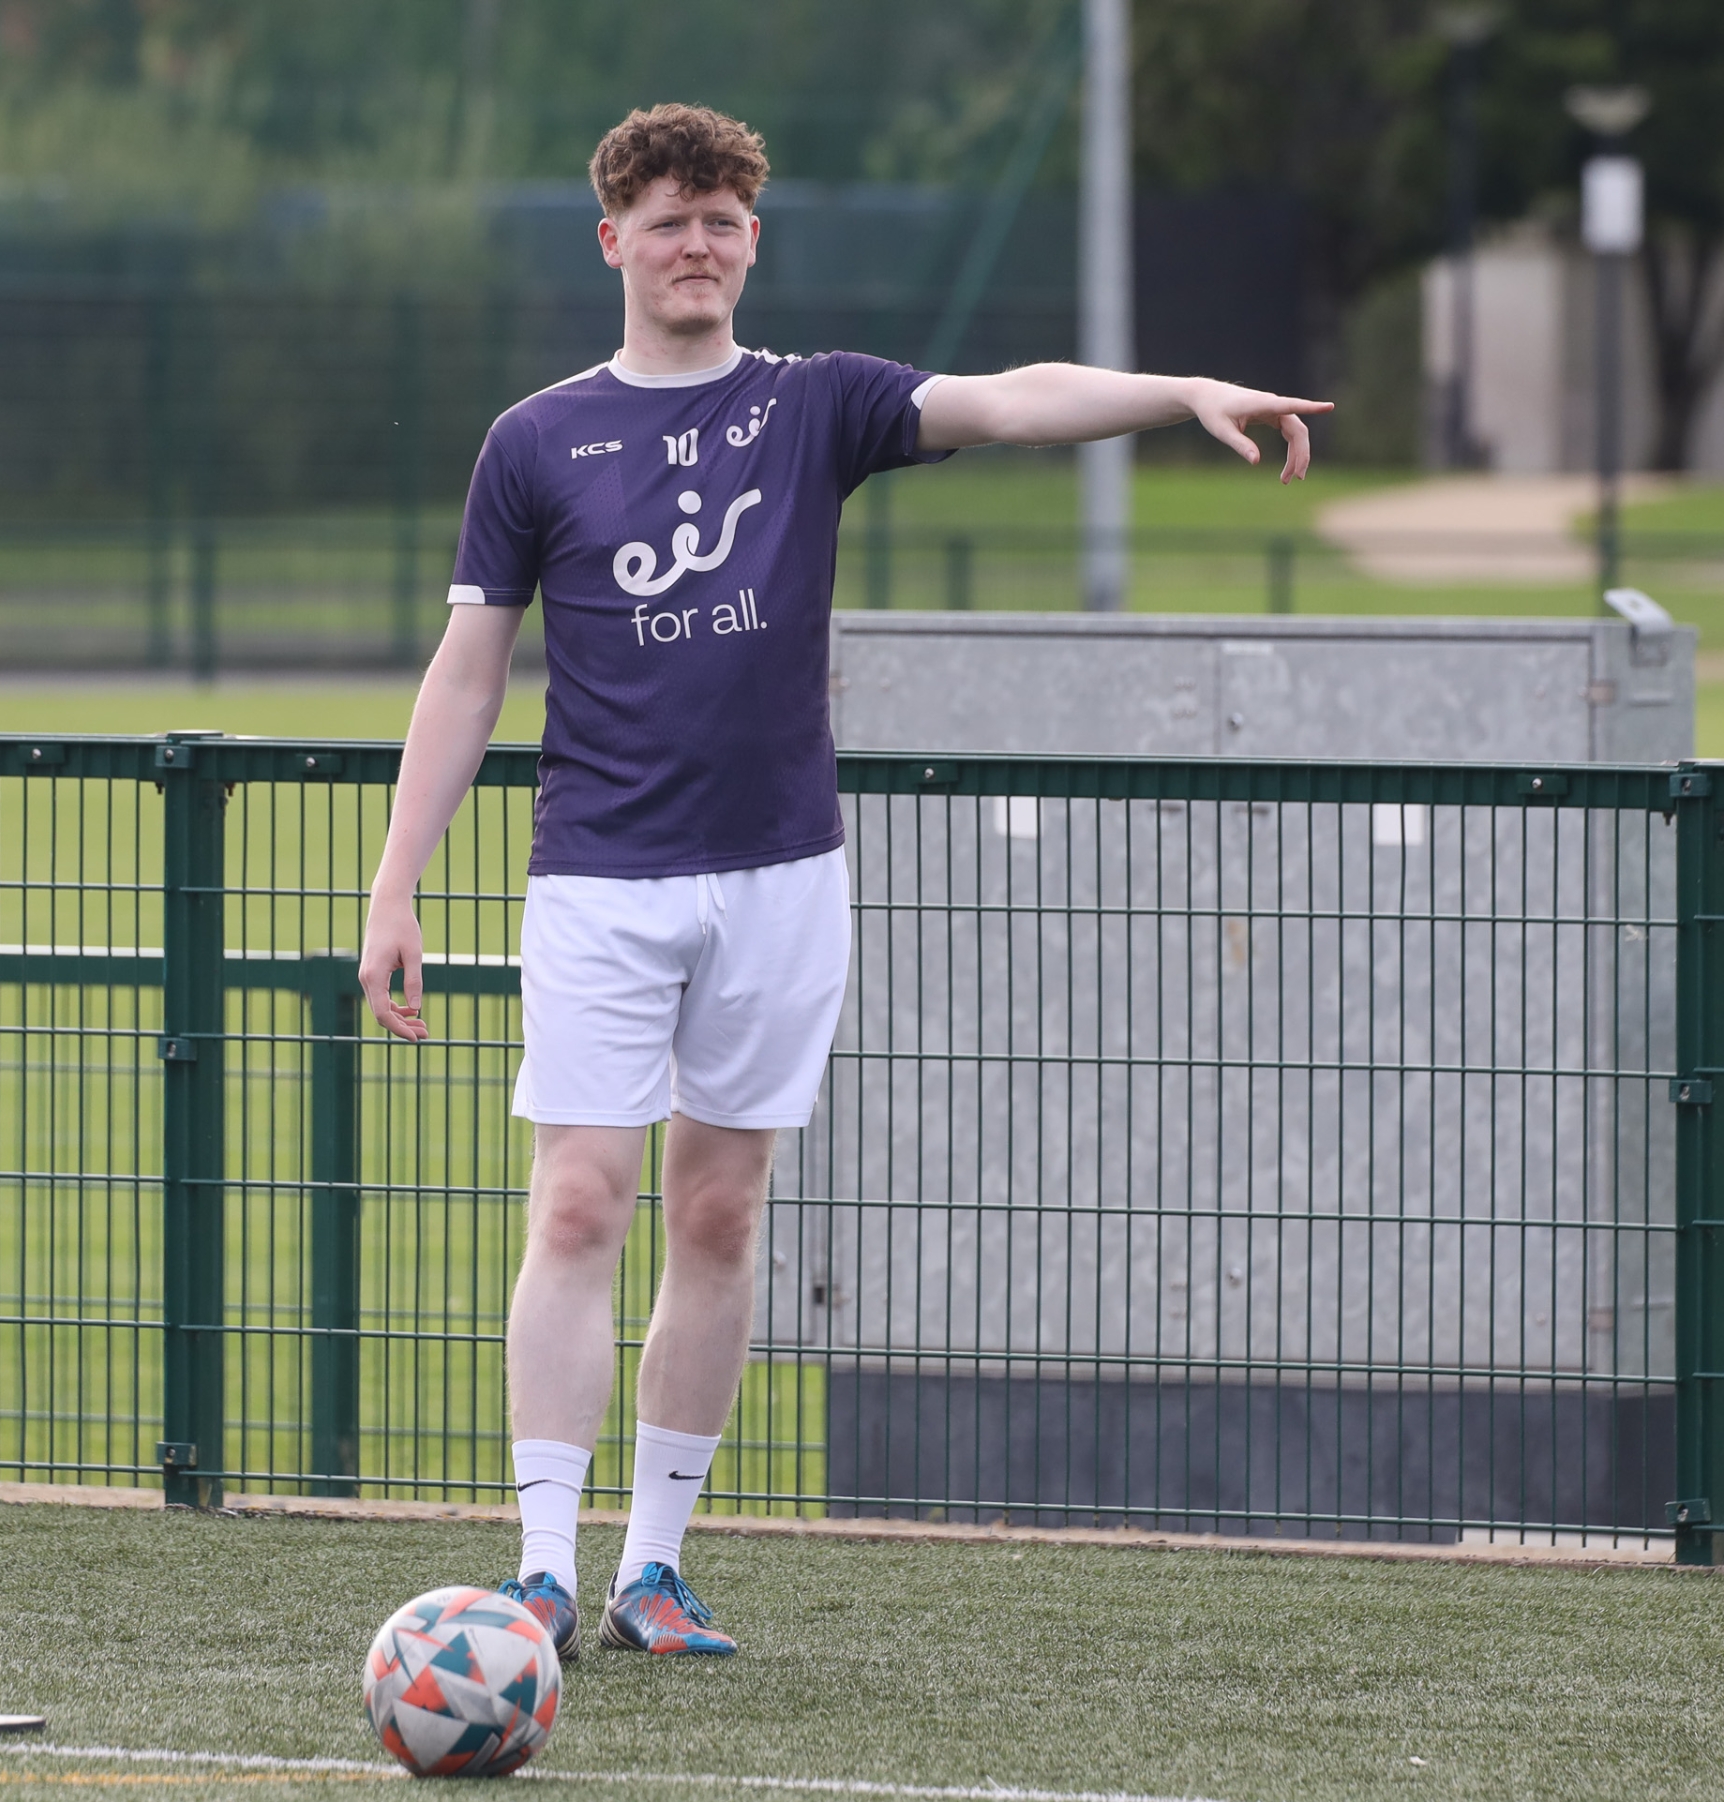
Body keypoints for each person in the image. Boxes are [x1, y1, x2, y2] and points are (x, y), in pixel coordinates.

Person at [359, 103, 1331, 1661]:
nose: (696, 243)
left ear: (753, 241)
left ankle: (651, 1573)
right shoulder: (535, 440)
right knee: (579, 1196)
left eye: (723, 219)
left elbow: (1015, 401)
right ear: (613, 241)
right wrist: (397, 882)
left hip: (783, 875)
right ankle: (540, 1569)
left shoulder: (816, 404)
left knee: (723, 1211)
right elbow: (469, 675)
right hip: (600, 878)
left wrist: (1183, 390)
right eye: (668, 218)